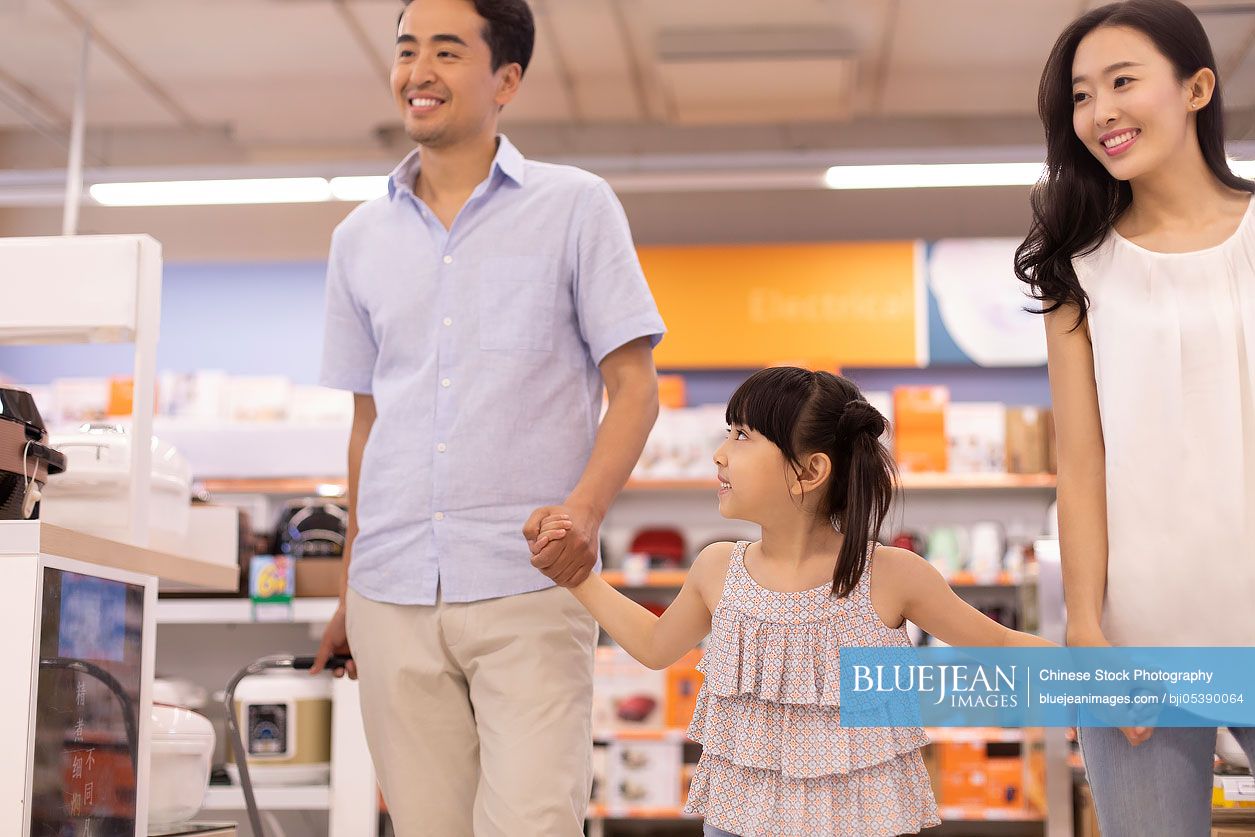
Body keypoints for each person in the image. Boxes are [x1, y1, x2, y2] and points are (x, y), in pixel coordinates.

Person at [309, 0, 666, 834]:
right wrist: (348, 586)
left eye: (446, 51)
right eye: (405, 51)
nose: (418, 72)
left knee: (531, 823)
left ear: (507, 78)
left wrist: (583, 513)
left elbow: (635, 387)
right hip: (390, 590)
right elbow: (369, 422)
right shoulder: (356, 239)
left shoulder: (575, 207)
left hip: (529, 583)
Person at [533, 368, 1051, 837]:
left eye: (741, 436)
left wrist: (1110, 690)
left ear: (810, 471)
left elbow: (1001, 643)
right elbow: (653, 644)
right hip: (740, 821)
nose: (719, 453)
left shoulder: (889, 576)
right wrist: (577, 575)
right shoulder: (719, 569)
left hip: (861, 823)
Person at [1015, 1, 1255, 834]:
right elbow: (1080, 465)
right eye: (1080, 95)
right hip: (1136, 645)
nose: (1098, 112)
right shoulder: (1078, 268)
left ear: (1195, 87)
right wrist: (1084, 626)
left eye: (1122, 82)